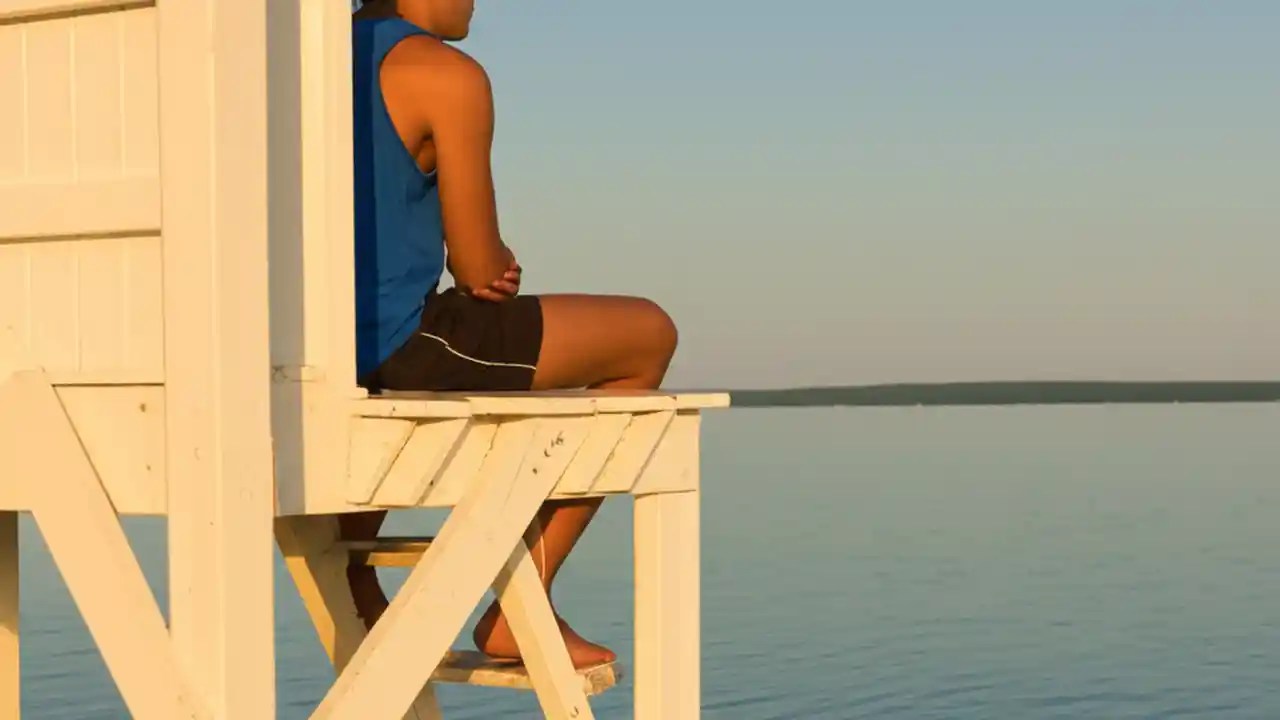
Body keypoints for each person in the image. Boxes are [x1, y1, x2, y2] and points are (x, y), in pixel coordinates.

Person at [345, 0, 678, 669]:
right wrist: (497, 264)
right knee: (648, 336)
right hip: (401, 345)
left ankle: (354, 575)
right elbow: (475, 266)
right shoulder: (445, 75)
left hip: (315, 353)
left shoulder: (310, 66)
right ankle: (520, 605)